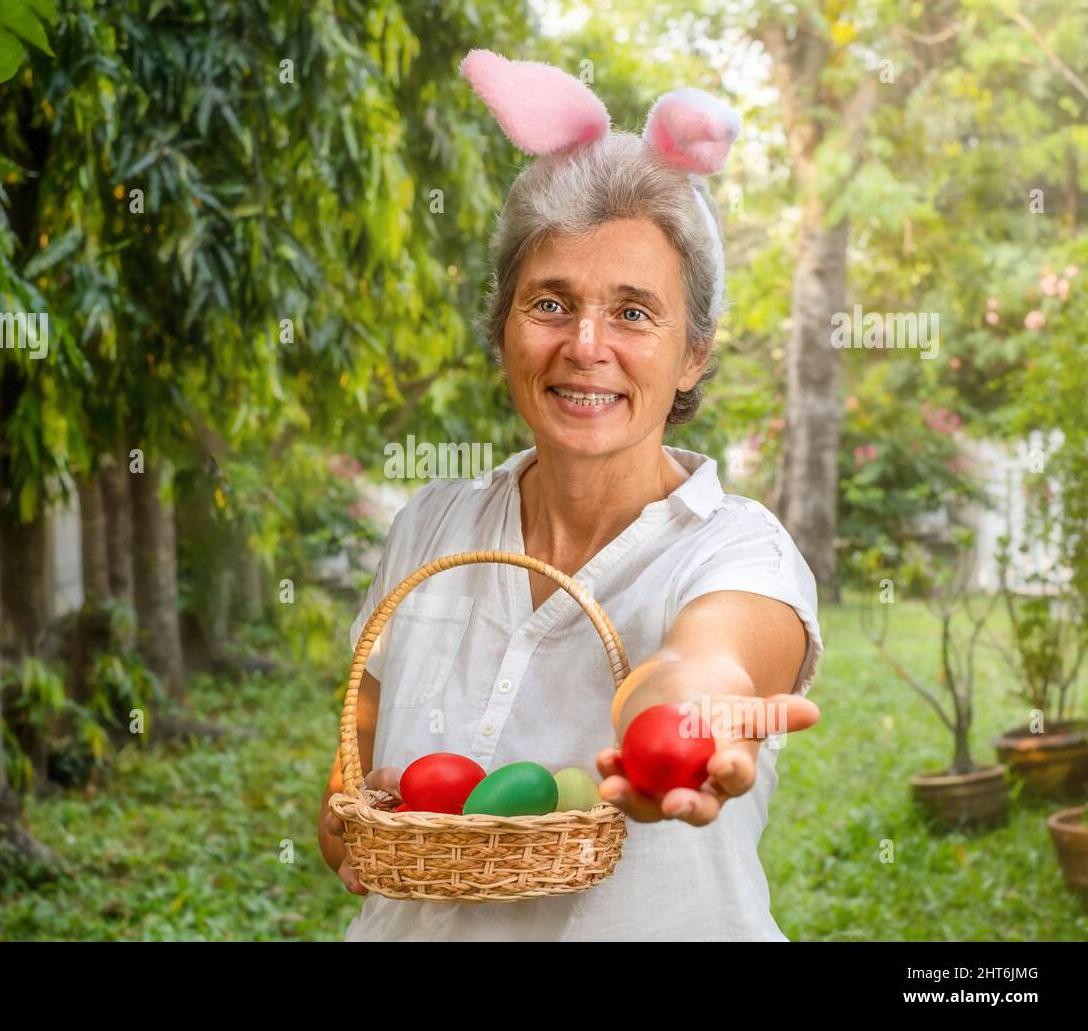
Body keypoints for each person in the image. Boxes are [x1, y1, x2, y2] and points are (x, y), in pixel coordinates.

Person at [319, 51, 823, 941]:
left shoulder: (740, 551)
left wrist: (685, 719)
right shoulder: (430, 524)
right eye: (550, 303)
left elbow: (705, 661)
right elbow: (367, 707)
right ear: (503, 324)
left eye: (634, 312)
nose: (587, 345)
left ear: (693, 352)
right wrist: (345, 797)